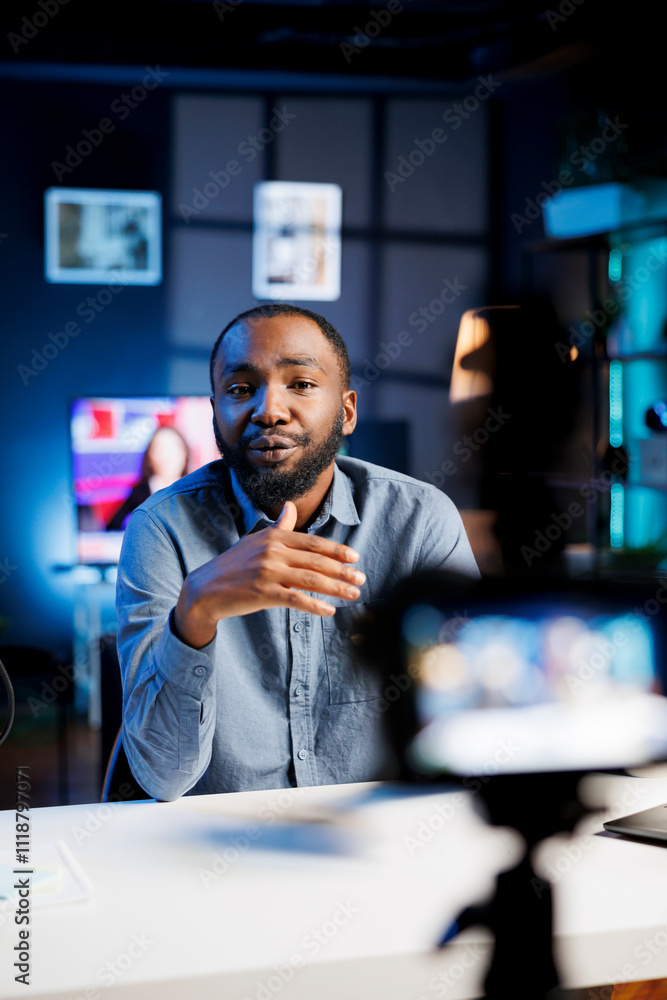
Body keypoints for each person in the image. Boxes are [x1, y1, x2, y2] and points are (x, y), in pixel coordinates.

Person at [116, 303, 480, 801]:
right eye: (240, 389)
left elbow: (473, 733)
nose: (268, 410)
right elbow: (160, 775)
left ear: (347, 411)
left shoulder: (420, 520)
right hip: (216, 854)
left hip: (375, 840)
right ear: (216, 413)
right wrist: (196, 610)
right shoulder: (159, 530)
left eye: (302, 384)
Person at [106, 426, 189, 531]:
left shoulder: (195, 492)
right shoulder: (138, 494)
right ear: (149, 456)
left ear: (185, 453)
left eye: (173, 448)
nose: (167, 455)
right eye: (160, 448)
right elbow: (112, 527)